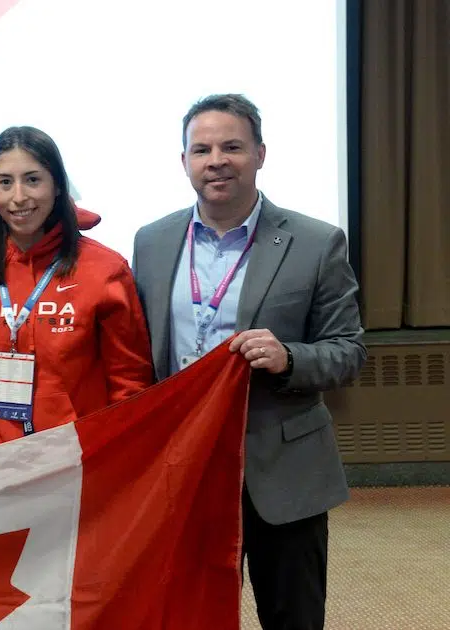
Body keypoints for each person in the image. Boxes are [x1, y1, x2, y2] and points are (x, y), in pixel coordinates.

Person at [131, 94, 366, 630]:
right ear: (185, 161)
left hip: (280, 469)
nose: (217, 160)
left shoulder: (315, 242)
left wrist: (289, 358)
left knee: (292, 616)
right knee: (189, 615)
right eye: (202, 150)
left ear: (260, 154)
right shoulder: (152, 242)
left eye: (232, 147)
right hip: (185, 467)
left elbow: (349, 352)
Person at [0, 126, 153, 448]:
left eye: (32, 180)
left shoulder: (104, 269)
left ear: (57, 186)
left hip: (80, 455)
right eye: (5, 182)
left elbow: (130, 382)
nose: (18, 197)